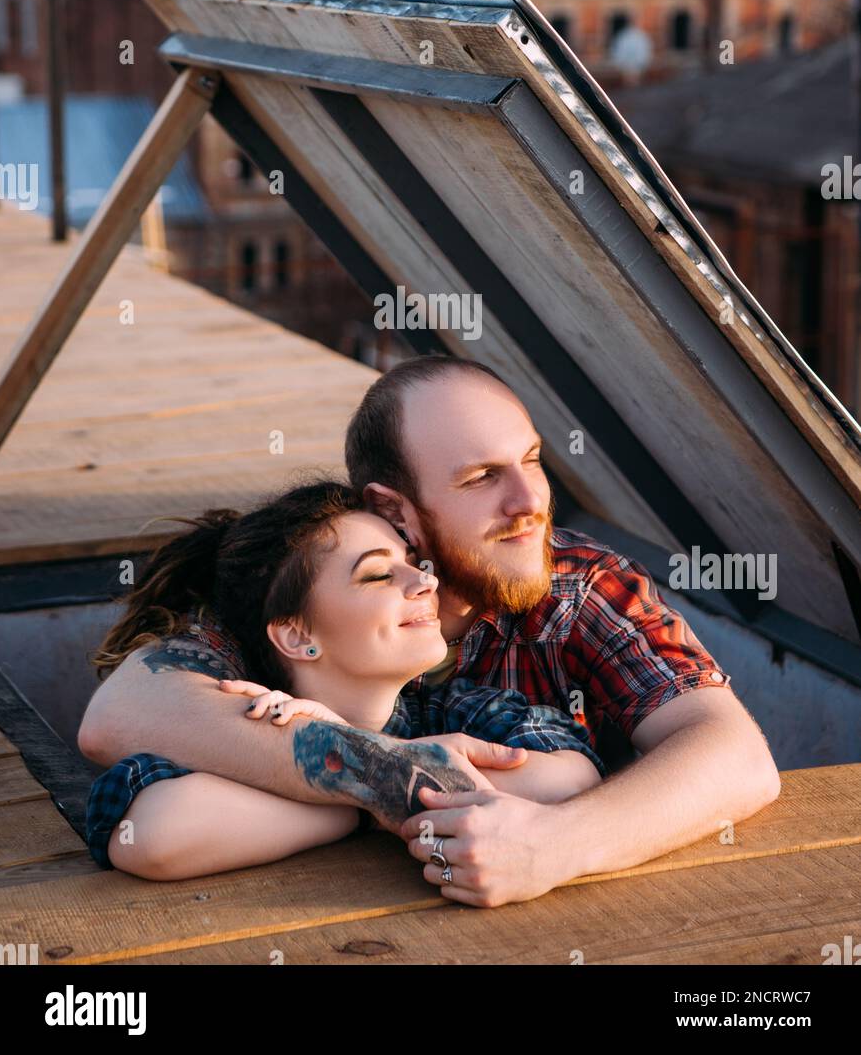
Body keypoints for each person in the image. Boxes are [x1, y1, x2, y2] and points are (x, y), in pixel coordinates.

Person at [79, 354, 780, 907]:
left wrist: (553, 848)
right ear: (397, 510)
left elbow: (735, 758)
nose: (530, 500)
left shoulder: (579, 584)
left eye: (531, 459)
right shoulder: (305, 590)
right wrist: (386, 779)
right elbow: (121, 714)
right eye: (481, 478)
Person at [86, 481, 605, 880]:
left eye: (411, 562)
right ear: (297, 636)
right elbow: (152, 837)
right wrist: (370, 799)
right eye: (379, 575)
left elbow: (571, 780)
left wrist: (345, 773)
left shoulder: (459, 708)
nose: (424, 580)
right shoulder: (238, 732)